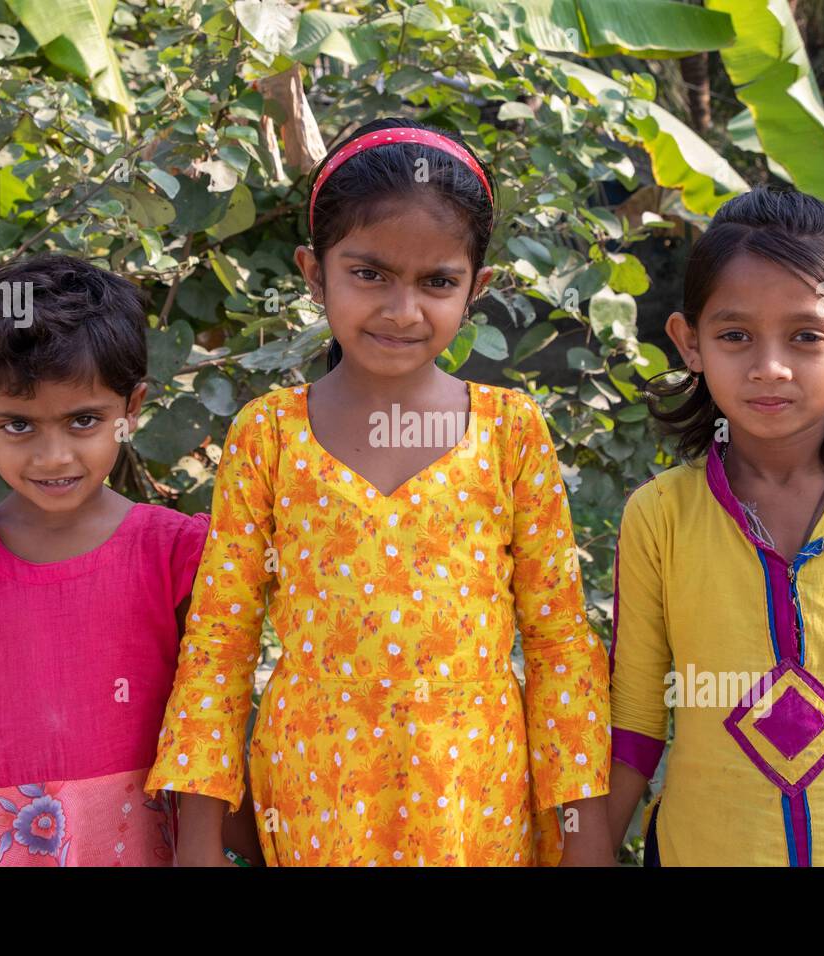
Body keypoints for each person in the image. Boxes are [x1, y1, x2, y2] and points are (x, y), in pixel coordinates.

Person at [145, 119, 613, 866]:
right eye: (370, 274)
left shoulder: (511, 434)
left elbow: (559, 646)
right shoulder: (267, 436)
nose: (403, 311)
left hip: (475, 802)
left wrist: (585, 842)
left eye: (437, 282)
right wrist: (196, 845)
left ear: (476, 288)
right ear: (313, 271)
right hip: (316, 803)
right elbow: (219, 649)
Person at [607, 187, 824, 866]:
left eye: (807, 336)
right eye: (735, 335)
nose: (769, 366)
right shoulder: (660, 517)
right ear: (690, 344)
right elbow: (633, 722)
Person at [0, 254, 219, 866]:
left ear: (132, 410)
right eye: (18, 425)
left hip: (130, 845)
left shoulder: (175, 553)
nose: (52, 456)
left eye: (84, 420)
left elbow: (206, 729)